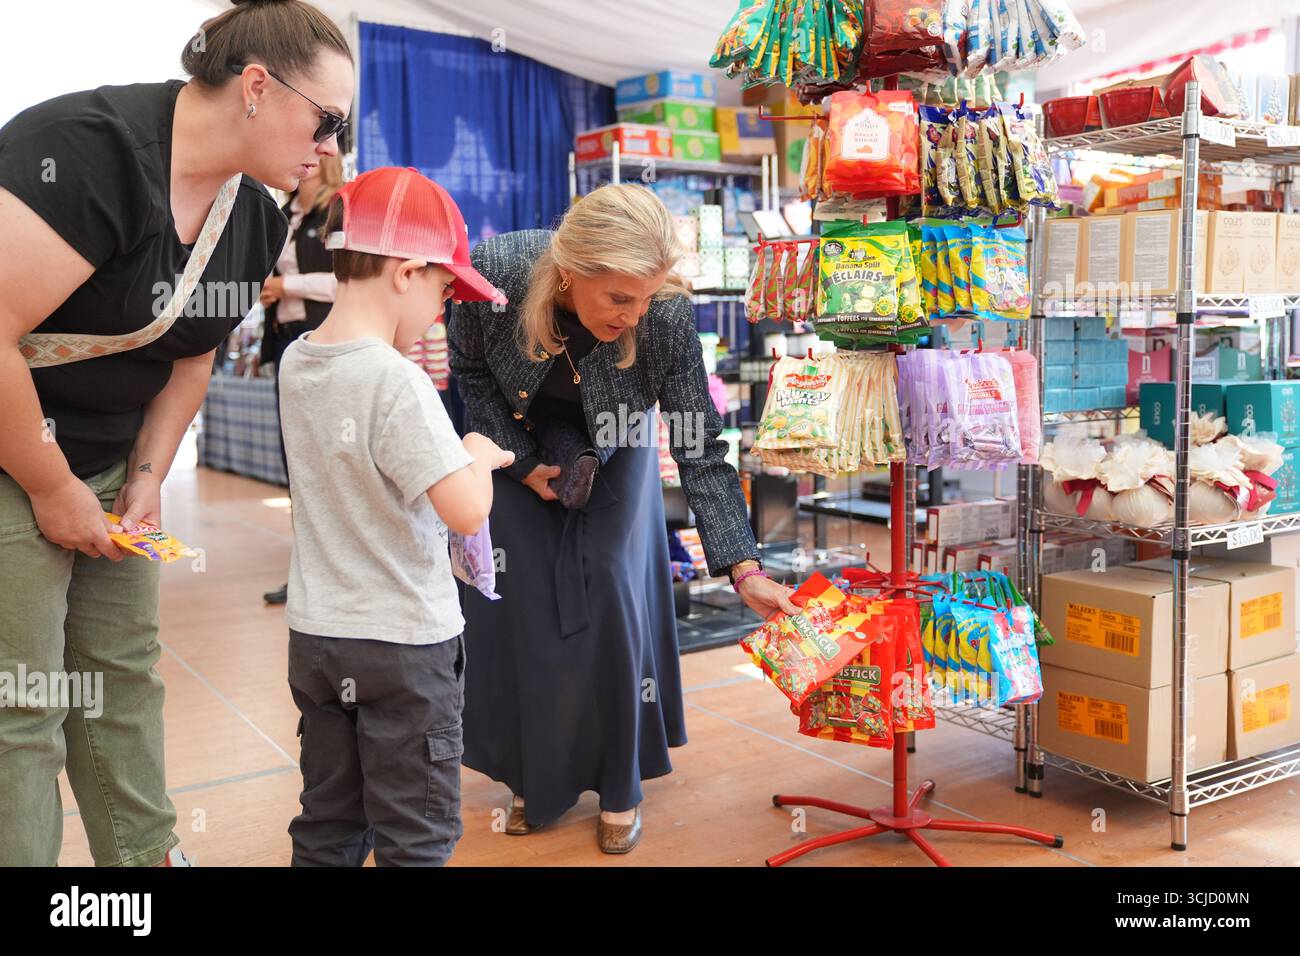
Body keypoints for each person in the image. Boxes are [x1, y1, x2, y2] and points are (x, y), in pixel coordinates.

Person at [0, 0, 354, 866]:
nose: (331, 148)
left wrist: (149, 475)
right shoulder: (87, 149)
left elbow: (191, 359)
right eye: (327, 119)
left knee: (123, 675)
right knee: (25, 702)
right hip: (13, 452)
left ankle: (143, 865)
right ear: (257, 88)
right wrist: (50, 487)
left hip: (114, 453)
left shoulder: (256, 218)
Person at [448, 184, 799, 854]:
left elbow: (699, 446)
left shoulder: (663, 316)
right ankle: (534, 778)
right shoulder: (496, 273)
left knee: (610, 590)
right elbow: (470, 372)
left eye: (647, 297)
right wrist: (521, 464)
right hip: (517, 444)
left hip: (614, 446)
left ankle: (619, 786)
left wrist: (743, 565)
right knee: (523, 603)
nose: (635, 315)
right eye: (619, 298)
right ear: (572, 271)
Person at [279, 166, 514, 866]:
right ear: (407, 273)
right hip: (402, 648)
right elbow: (466, 513)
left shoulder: (299, 361)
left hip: (318, 638)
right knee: (416, 834)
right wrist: (479, 453)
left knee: (329, 820)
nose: (440, 311)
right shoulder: (396, 379)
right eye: (444, 291)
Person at [258, 153, 344, 605]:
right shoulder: (281, 215)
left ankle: (334, 570)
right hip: (286, 340)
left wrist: (286, 287)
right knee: (296, 457)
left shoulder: (338, 211)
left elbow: (345, 283)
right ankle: (308, 567)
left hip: (325, 342)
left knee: (327, 455)